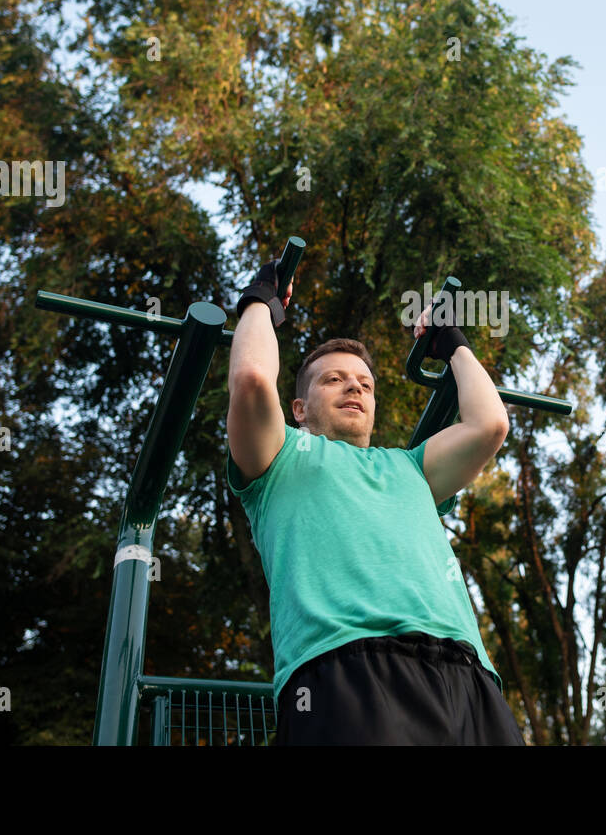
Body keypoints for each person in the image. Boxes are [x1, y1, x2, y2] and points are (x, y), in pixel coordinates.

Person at [224, 258, 524, 745]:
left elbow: (490, 424)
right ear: (299, 409)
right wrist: (262, 298)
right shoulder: (280, 457)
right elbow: (253, 379)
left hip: (469, 677)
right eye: (334, 379)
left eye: (365, 383)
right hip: (347, 667)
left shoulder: (409, 467)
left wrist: (451, 341)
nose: (354, 387)